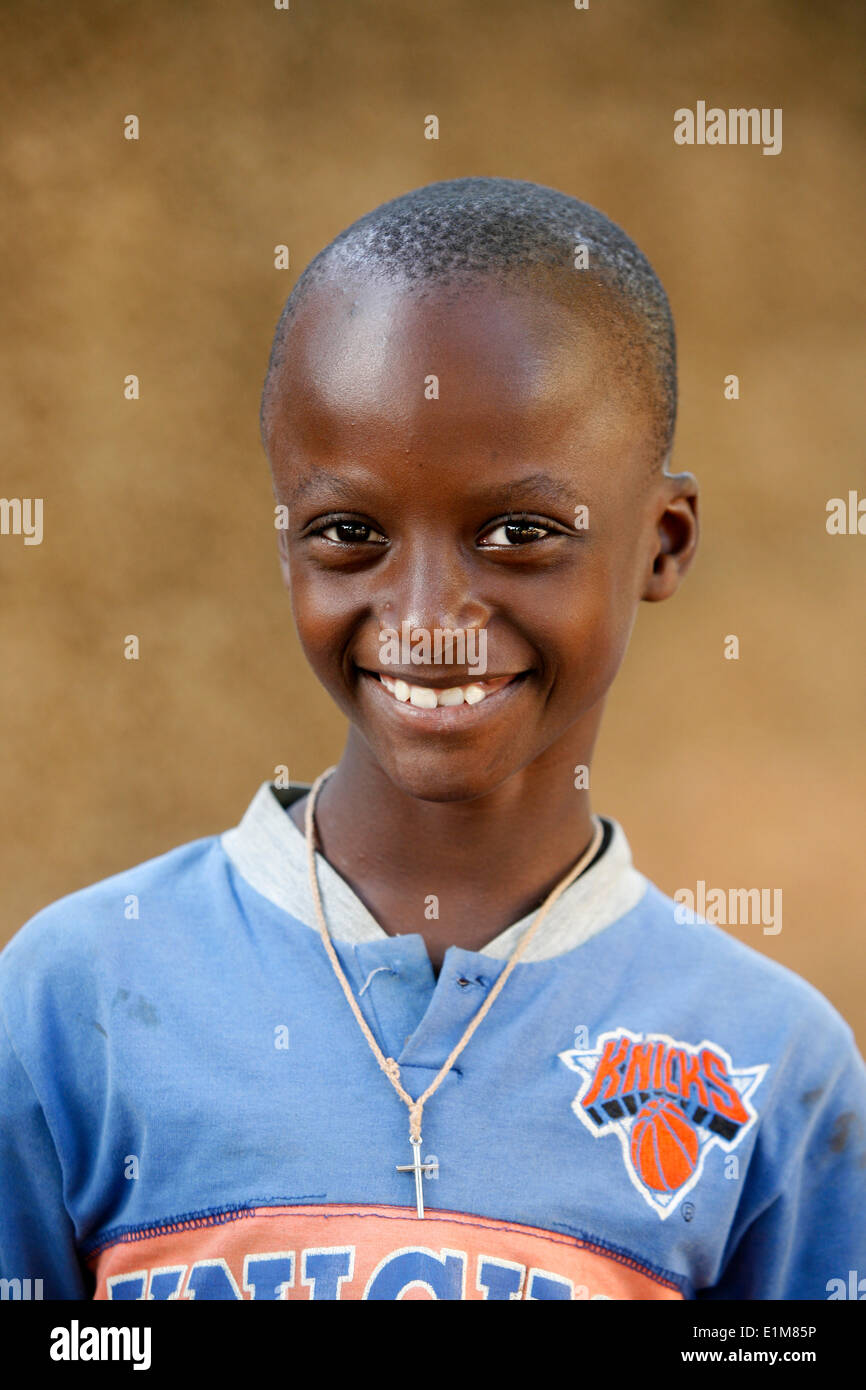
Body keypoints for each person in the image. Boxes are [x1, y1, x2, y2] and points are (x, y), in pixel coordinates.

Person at [1, 178, 863, 1301]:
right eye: (347, 533)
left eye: (517, 533)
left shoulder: (770, 1064)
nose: (422, 620)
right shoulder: (75, 1001)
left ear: (662, 542)